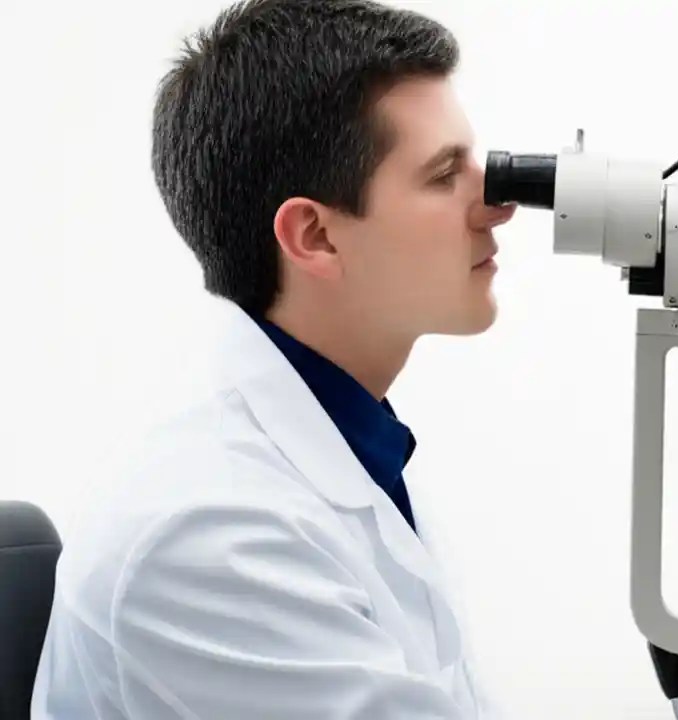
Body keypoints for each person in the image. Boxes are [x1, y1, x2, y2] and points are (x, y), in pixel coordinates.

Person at [31, 1, 517, 717]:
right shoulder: (212, 537)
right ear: (315, 236)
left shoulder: (347, 449)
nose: (498, 205)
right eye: (444, 175)